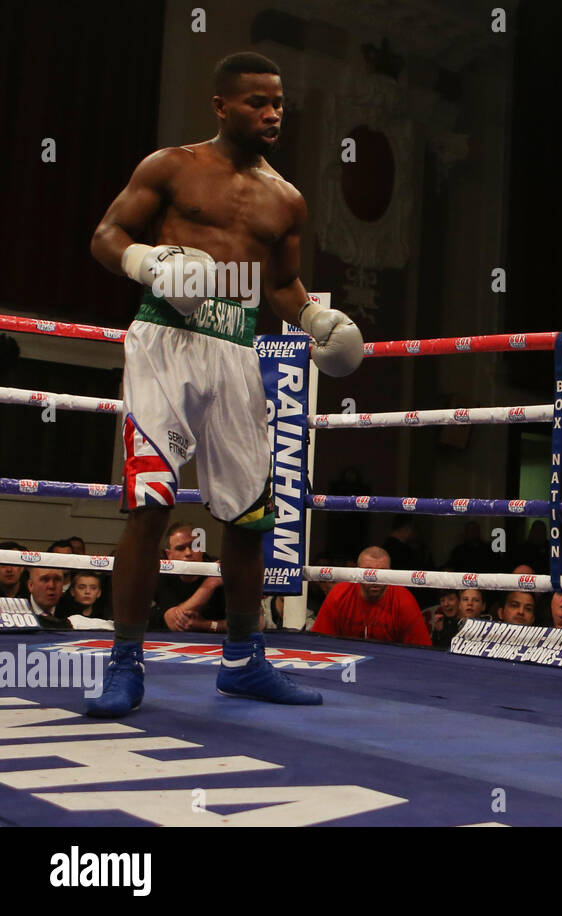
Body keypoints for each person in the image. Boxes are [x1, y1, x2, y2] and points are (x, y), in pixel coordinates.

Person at [86, 51, 364, 717]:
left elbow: (281, 286)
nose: (271, 114)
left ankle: (243, 660)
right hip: (164, 342)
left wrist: (317, 318)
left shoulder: (286, 198)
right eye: (257, 103)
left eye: (278, 104)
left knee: (248, 515)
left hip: (239, 349)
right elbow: (106, 234)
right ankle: (126, 661)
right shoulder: (172, 166)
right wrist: (148, 262)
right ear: (221, 105)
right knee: (151, 504)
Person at [311, 548, 431, 646]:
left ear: (391, 572)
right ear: (357, 573)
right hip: (346, 662)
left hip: (390, 665)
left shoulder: (403, 600)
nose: (375, 579)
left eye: (382, 572)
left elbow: (421, 650)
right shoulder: (339, 594)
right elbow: (319, 642)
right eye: (368, 572)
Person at [149, 523, 227, 632]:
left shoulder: (220, 571)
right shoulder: (162, 576)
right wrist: (209, 585)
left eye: (194, 546)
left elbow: (254, 623)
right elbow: (175, 622)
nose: (188, 553)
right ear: (169, 555)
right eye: (180, 548)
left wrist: (206, 625)